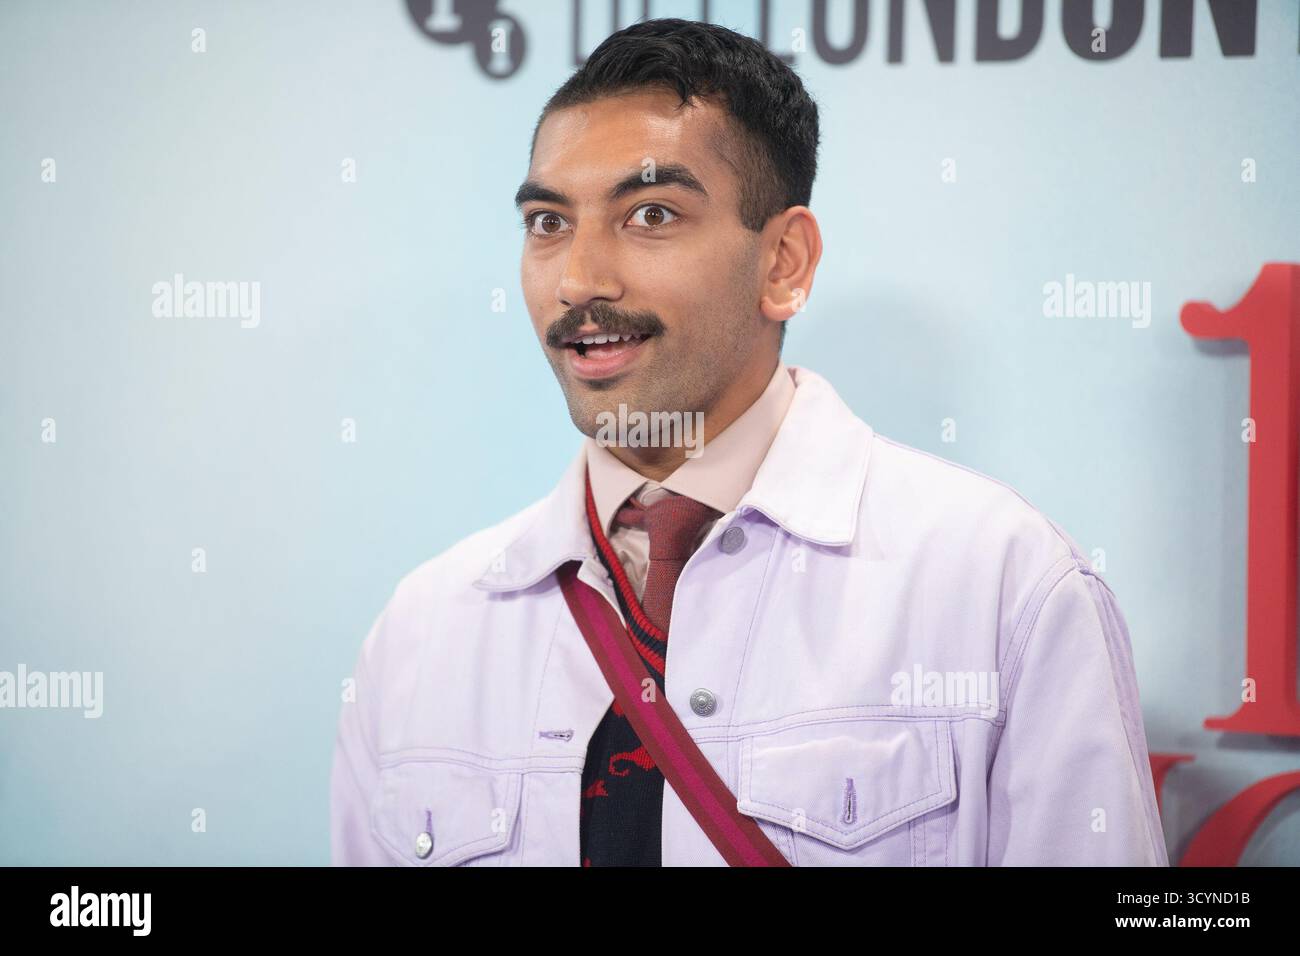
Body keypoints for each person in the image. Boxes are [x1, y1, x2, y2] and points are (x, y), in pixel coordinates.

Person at [330, 17, 1169, 866]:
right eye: (548, 223)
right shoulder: (423, 633)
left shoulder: (1004, 588)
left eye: (649, 213)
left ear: (785, 264)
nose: (578, 280)